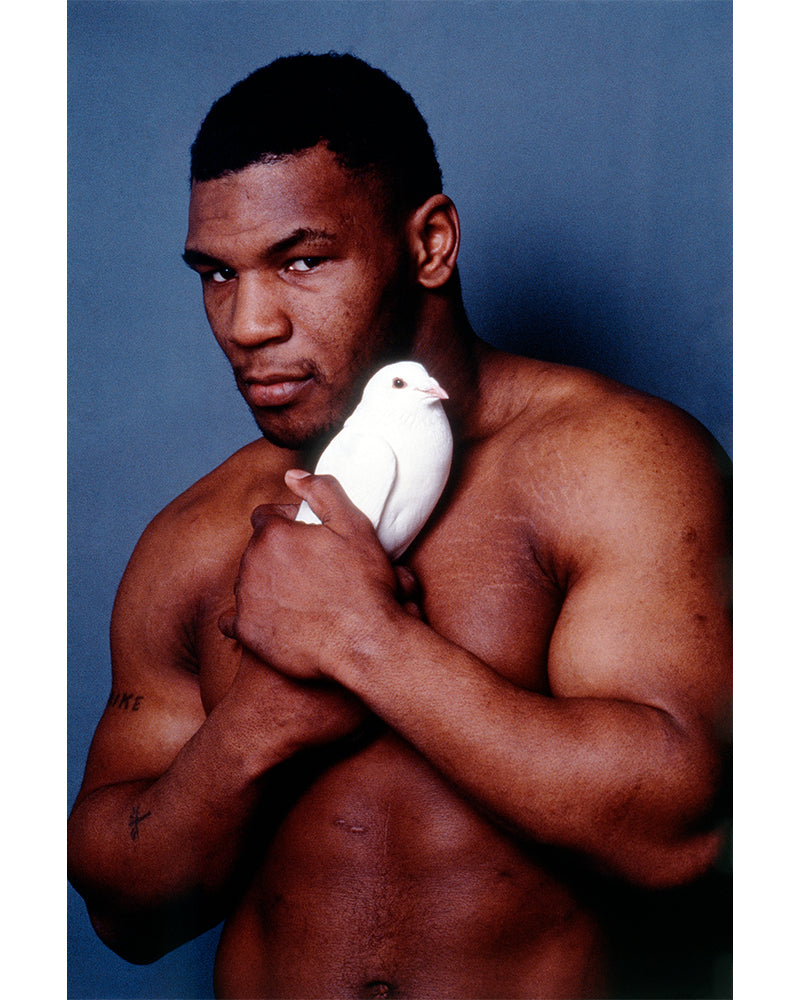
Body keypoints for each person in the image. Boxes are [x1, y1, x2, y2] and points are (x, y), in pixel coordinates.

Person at [67, 53, 732, 1000]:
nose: (247, 324)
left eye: (301, 261)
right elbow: (121, 913)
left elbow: (685, 837)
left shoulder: (612, 464)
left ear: (430, 244)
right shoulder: (200, 533)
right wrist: (261, 723)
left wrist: (366, 644)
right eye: (216, 273)